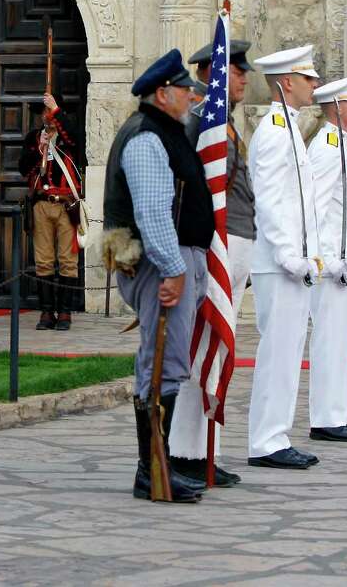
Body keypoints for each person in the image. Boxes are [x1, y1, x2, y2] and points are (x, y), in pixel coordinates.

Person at [102, 48, 213, 503]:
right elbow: (152, 210)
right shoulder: (148, 137)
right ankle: (151, 469)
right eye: (185, 90)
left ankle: (158, 464)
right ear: (163, 93)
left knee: (164, 364)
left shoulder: (164, 130)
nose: (191, 96)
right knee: (160, 365)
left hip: (171, 258)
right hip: (159, 262)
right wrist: (173, 268)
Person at [168, 39, 252, 487]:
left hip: (235, 245)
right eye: (235, 71)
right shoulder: (199, 122)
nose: (242, 79)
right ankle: (183, 451)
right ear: (210, 73)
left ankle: (201, 450)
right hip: (212, 246)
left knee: (214, 353)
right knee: (198, 347)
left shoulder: (225, 124)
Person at [245, 44, 328, 470]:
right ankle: (266, 441)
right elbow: (271, 200)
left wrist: (311, 253)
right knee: (278, 349)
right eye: (308, 78)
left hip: (294, 260)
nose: (315, 85)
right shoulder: (275, 131)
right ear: (287, 83)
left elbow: (302, 203)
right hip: (279, 262)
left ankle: (276, 435)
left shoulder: (290, 127)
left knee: (290, 348)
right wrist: (287, 253)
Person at [306, 74, 347, 443]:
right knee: (330, 340)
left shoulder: (339, 144)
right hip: (333, 265)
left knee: (341, 340)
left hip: (342, 262)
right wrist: (327, 260)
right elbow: (316, 209)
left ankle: (336, 414)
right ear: (336, 107)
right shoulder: (327, 147)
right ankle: (327, 418)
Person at [18, 92, 86, 331]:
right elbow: (22, 167)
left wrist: (57, 110)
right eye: (44, 112)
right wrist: (39, 149)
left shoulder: (68, 138)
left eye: (49, 111)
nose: (45, 116)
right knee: (44, 261)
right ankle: (47, 312)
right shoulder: (33, 138)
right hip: (41, 205)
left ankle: (65, 312)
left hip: (66, 204)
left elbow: (76, 139)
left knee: (68, 261)